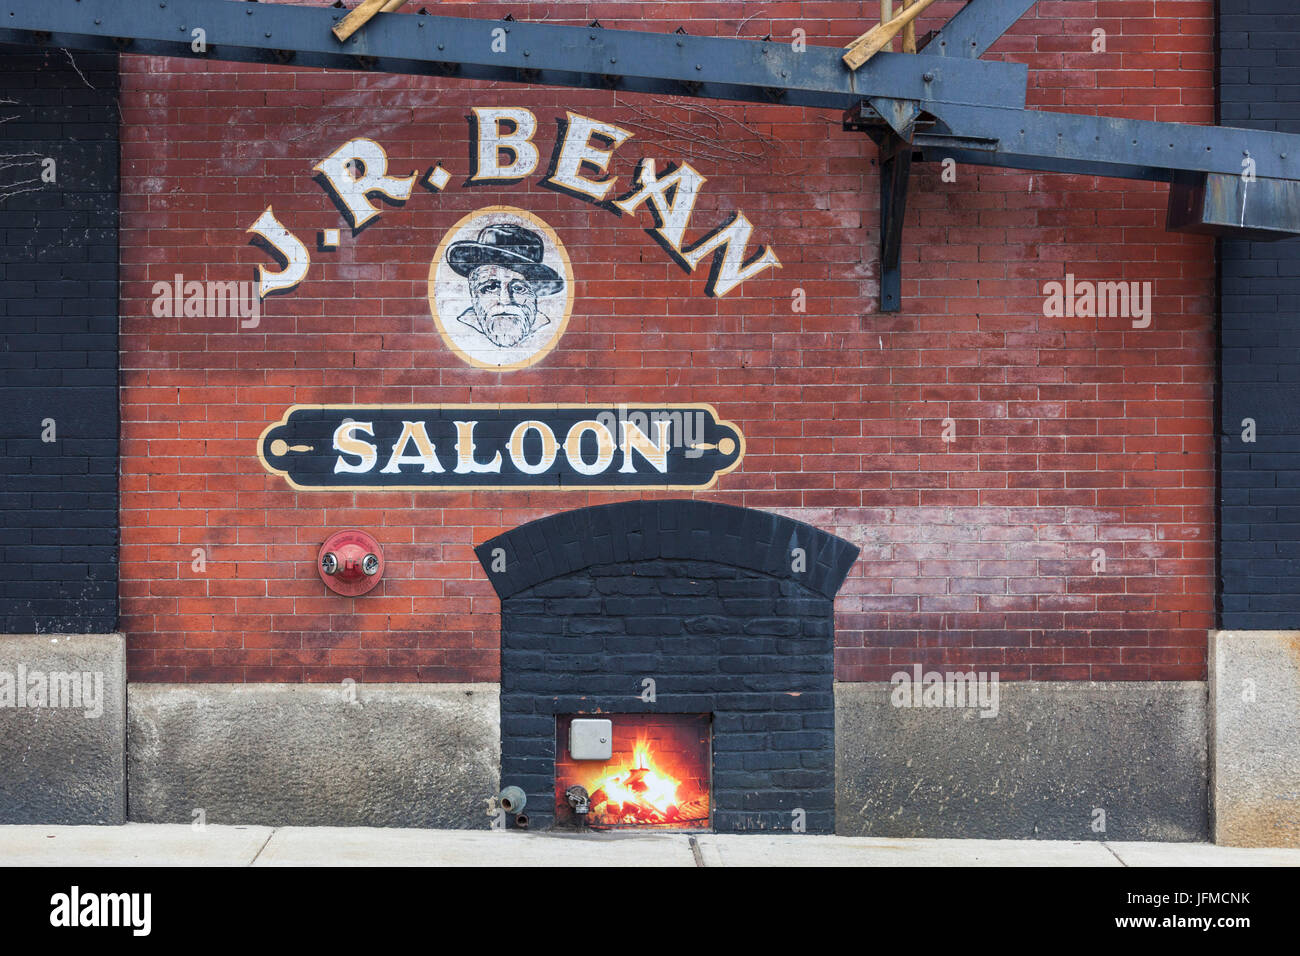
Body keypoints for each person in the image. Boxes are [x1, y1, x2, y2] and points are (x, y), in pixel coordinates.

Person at [445, 222, 565, 350]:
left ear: (535, 292)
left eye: (519, 288)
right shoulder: (462, 331)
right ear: (474, 293)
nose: (505, 300)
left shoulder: (546, 330)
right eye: (491, 287)